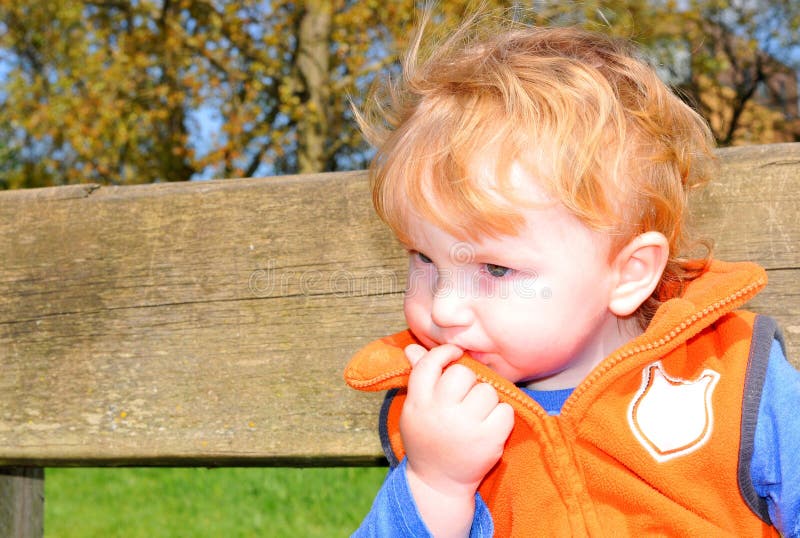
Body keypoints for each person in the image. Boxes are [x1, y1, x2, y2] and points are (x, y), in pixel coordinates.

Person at [343, 11, 800, 537]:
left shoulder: (734, 379)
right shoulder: (442, 418)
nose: (444, 306)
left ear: (629, 274)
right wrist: (435, 484)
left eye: (494, 267)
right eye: (423, 259)